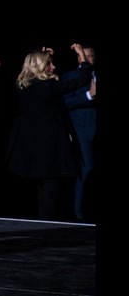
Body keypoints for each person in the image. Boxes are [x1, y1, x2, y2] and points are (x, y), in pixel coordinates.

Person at [5, 45, 94, 221]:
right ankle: (46, 228)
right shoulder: (49, 86)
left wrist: (42, 54)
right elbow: (82, 80)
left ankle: (43, 225)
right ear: (42, 67)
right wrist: (82, 58)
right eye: (49, 64)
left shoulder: (23, 86)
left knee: (42, 190)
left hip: (33, 149)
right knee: (50, 191)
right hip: (50, 149)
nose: (53, 67)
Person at [62, 44, 96, 222]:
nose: (89, 59)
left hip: (93, 128)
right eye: (86, 56)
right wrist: (89, 96)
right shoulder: (71, 77)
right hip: (82, 130)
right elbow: (66, 104)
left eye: (91, 56)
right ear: (79, 58)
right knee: (86, 168)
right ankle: (78, 211)